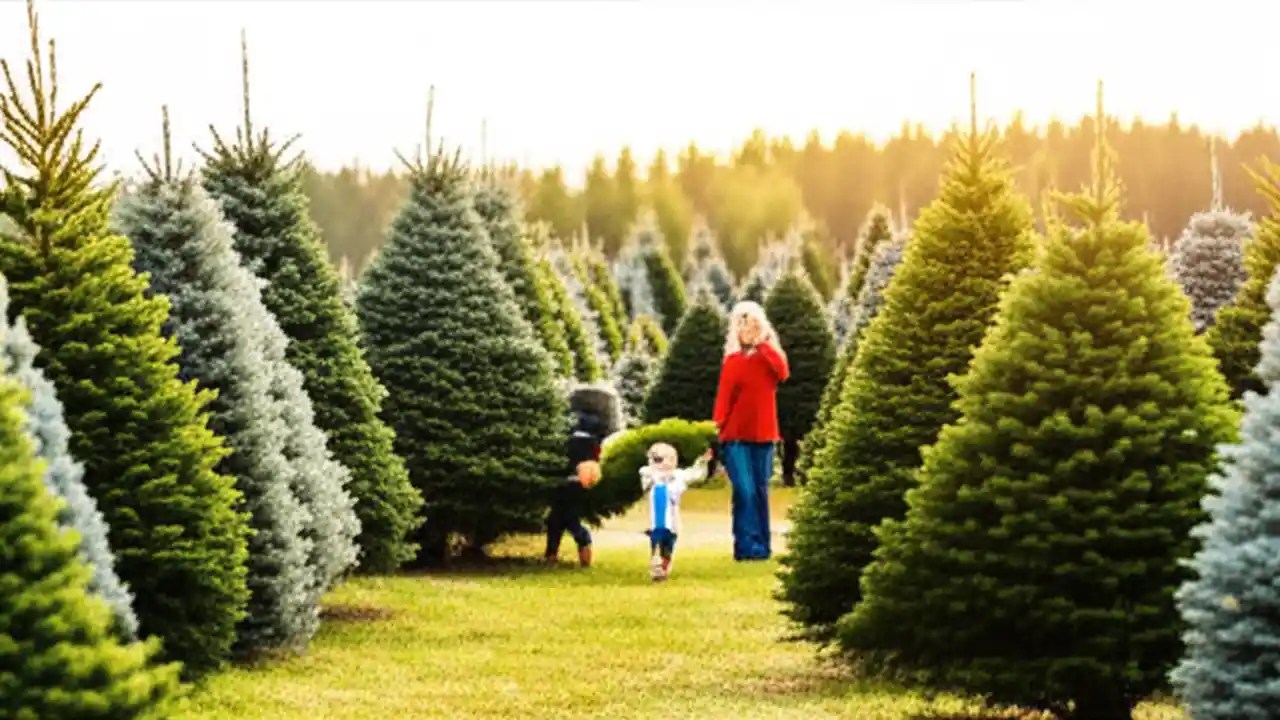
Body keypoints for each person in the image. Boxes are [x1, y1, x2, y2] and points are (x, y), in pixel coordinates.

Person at [713, 300, 789, 561]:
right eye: (741, 324)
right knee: (744, 490)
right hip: (735, 436)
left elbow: (783, 372)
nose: (745, 329)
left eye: (751, 323)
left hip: (764, 435)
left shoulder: (769, 359)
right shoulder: (732, 361)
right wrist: (716, 432)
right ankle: (745, 547)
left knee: (759, 490)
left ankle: (761, 548)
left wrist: (762, 343)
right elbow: (723, 400)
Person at [640, 443, 712, 581]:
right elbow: (645, 478)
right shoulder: (650, 475)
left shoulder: (679, 475)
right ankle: (656, 566)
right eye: (657, 459)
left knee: (668, 546)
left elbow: (695, 475)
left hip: (672, 522)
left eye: (670, 458)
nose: (663, 463)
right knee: (656, 543)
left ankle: (664, 566)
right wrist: (655, 469)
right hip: (656, 522)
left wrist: (702, 462)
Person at [545, 410, 605, 567]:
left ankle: (553, 555)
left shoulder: (568, 440)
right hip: (580, 485)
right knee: (567, 520)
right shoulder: (594, 443)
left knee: (557, 520)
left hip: (563, 484)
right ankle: (581, 553)